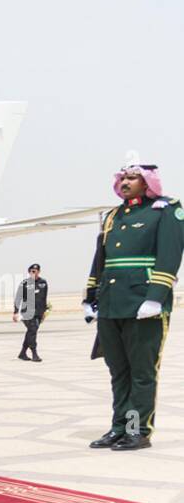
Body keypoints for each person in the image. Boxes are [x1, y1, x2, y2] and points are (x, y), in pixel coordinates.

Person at [85, 164, 181, 451]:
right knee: (119, 371)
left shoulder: (165, 210)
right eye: (122, 178)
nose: (124, 183)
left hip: (144, 302)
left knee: (142, 372)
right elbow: (100, 259)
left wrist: (155, 296)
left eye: (132, 178)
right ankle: (119, 428)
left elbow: (170, 253)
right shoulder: (114, 215)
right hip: (112, 302)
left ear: (147, 182)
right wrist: (90, 297)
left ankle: (137, 430)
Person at [13, 263, 47, 361]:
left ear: (39, 271)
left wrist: (44, 311)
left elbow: (44, 298)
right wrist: (15, 312)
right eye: (32, 271)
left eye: (36, 271)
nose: (34, 272)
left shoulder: (43, 283)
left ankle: (22, 353)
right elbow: (18, 298)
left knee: (31, 331)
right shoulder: (25, 283)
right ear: (29, 272)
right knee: (33, 330)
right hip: (27, 312)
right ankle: (34, 353)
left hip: (39, 312)